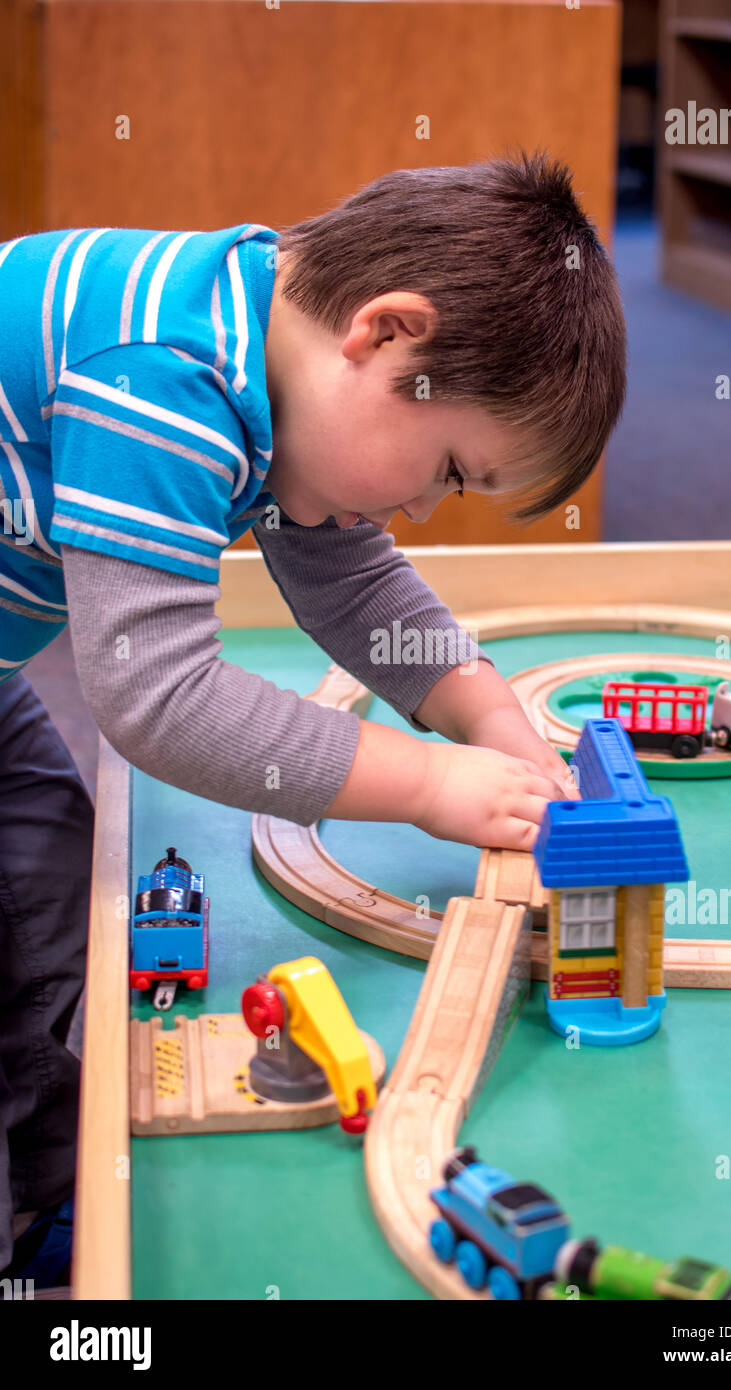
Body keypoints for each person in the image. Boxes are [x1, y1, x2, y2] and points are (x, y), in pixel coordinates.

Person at [0, 149, 627, 1287]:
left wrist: (492, 718)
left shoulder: (270, 355)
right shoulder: (160, 374)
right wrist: (433, 785)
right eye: (445, 467)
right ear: (385, 333)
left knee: (41, 893)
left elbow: (353, 584)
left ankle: (51, 1226)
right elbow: (160, 694)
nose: (421, 507)